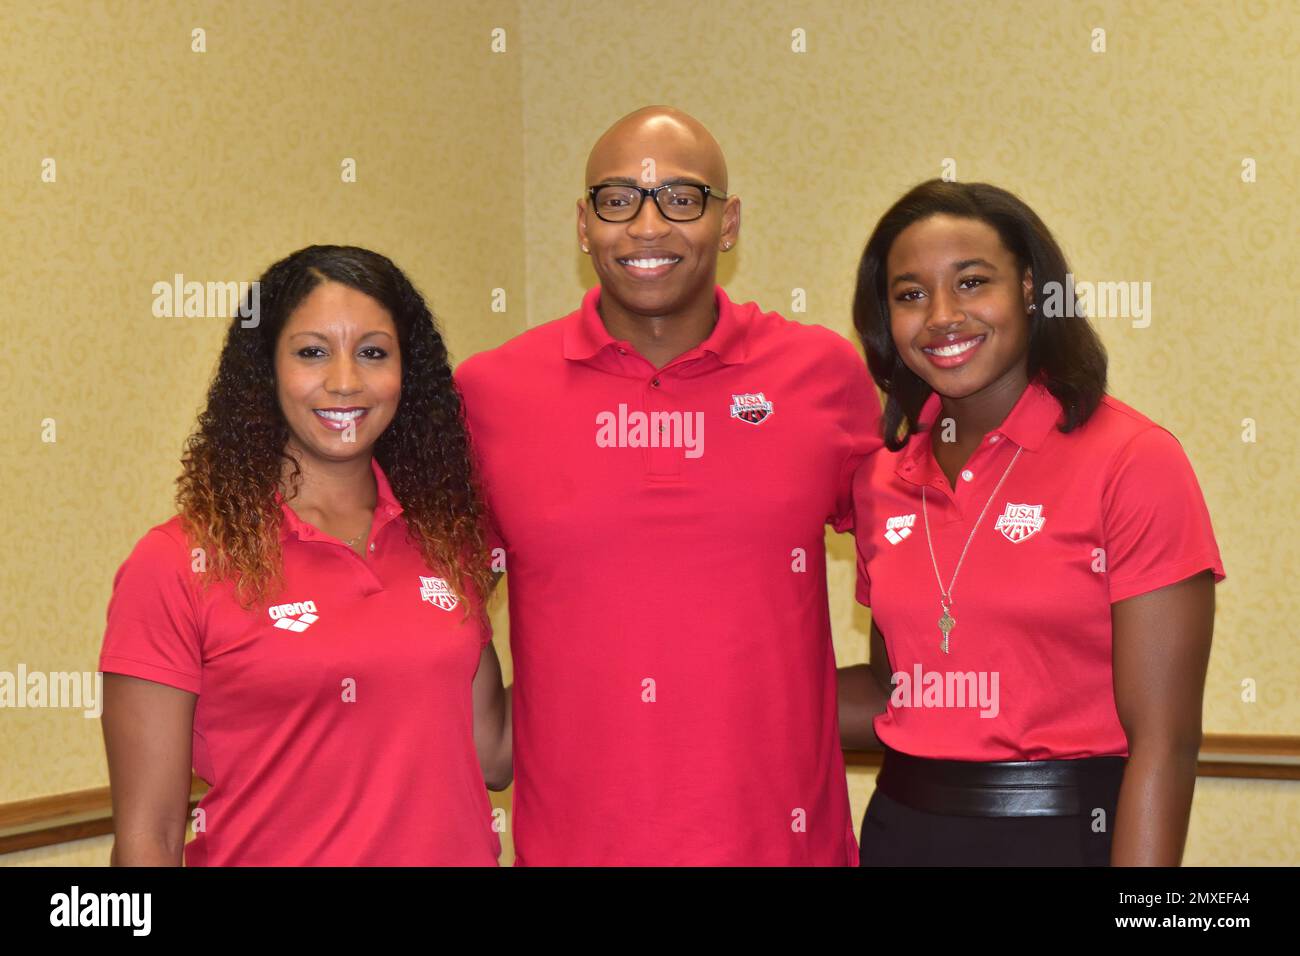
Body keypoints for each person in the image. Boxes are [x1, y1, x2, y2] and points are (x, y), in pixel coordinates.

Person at [455, 106, 882, 865]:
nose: (647, 227)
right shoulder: (490, 393)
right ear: (583, 226)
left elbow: (923, 561)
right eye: (618, 200)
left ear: (729, 223)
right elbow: (426, 594)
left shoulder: (823, 377)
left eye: (682, 199)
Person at [838, 180, 1224, 865]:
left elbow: (1165, 742)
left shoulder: (1132, 459)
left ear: (1030, 289)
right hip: (901, 830)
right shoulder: (880, 476)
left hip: (1066, 835)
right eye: (910, 294)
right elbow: (902, 691)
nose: (941, 317)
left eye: (972, 282)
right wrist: (702, 693)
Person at [99, 245, 509, 866]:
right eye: (312, 352)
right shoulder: (179, 561)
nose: (345, 381)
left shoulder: (444, 540)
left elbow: (494, 751)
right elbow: (146, 839)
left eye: (373, 352)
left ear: (407, 374)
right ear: (266, 370)